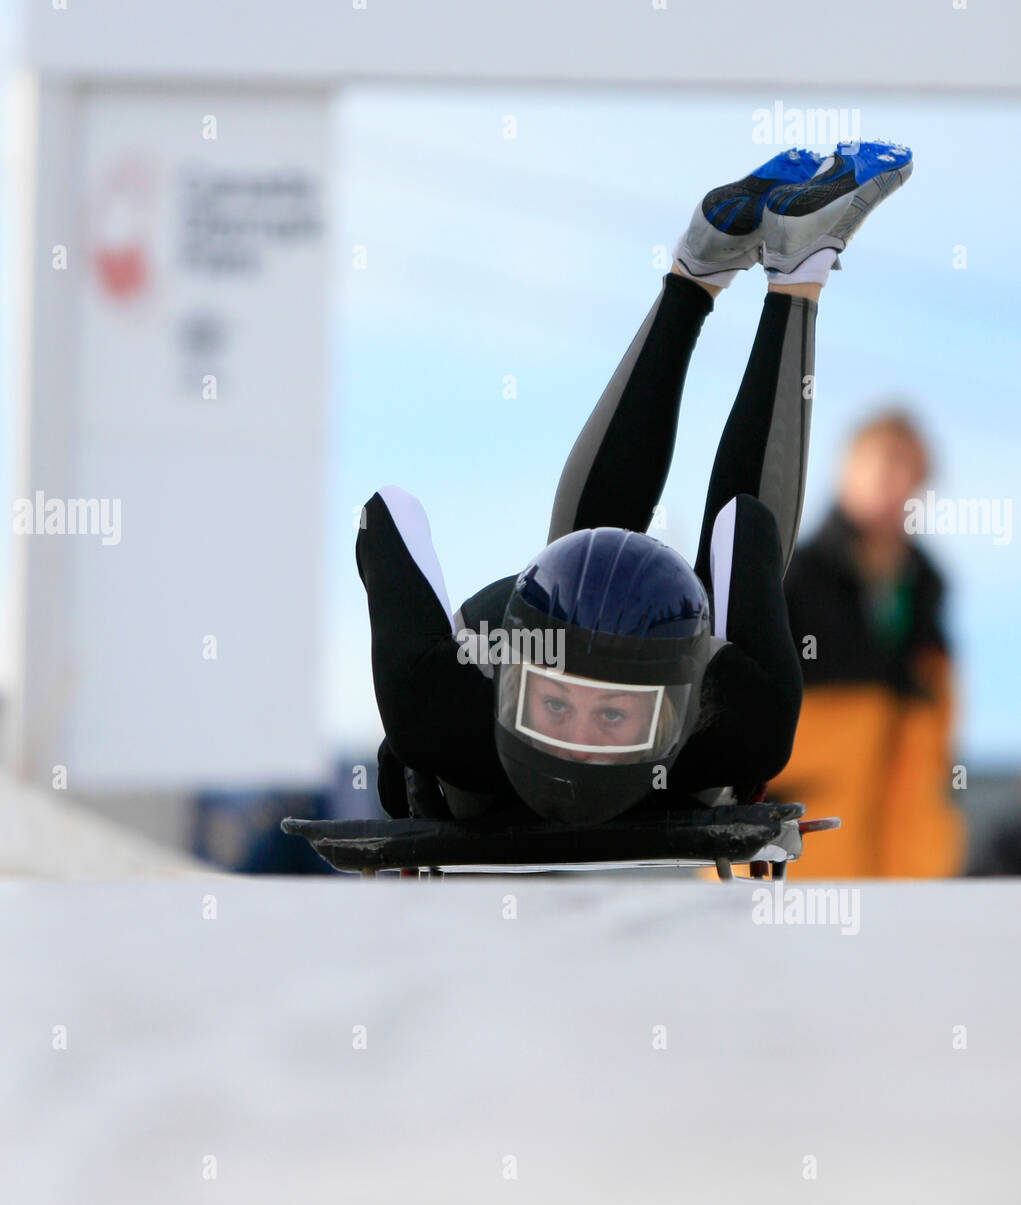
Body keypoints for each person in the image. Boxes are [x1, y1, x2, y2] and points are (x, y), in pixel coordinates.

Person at [355, 140, 913, 827]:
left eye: (610, 716)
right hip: (536, 648)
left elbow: (385, 524)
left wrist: (414, 740)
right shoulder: (740, 726)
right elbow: (746, 542)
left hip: (526, 643)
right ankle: (763, 270)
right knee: (727, 583)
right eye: (561, 707)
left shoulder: (437, 716)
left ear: (675, 712)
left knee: (619, 567)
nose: (579, 749)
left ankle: (752, 268)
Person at [771, 411, 966, 876]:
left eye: (909, 472)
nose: (895, 485)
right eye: (883, 466)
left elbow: (936, 735)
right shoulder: (788, 574)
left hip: (907, 866)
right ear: (847, 471)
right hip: (797, 859)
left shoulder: (927, 589)